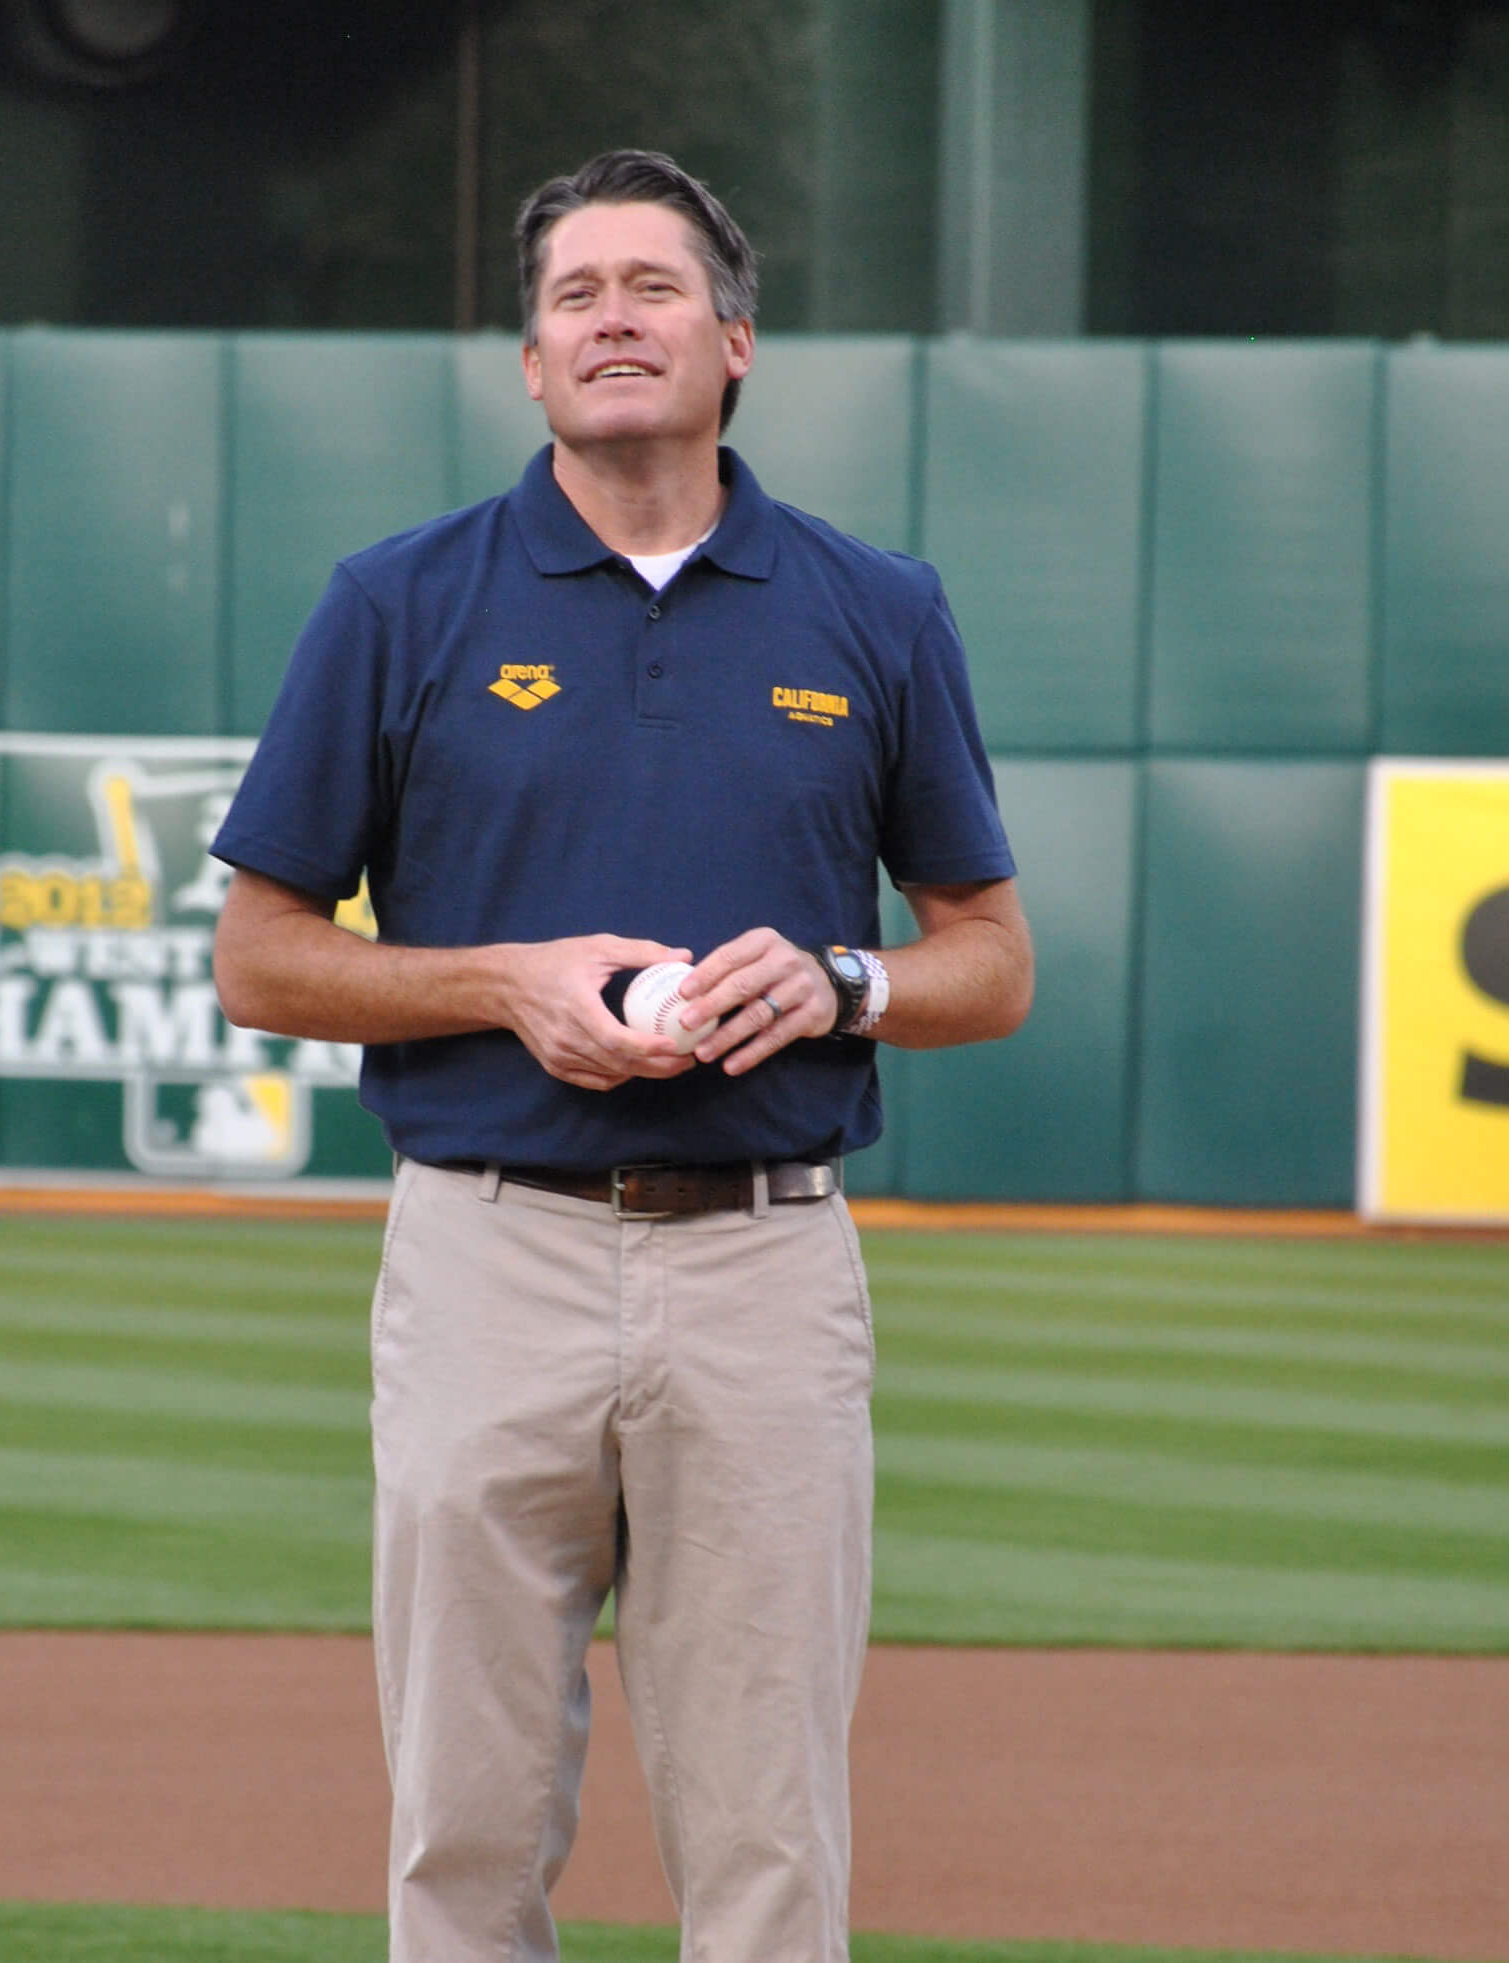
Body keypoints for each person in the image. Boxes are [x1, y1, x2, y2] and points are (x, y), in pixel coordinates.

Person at [210, 148, 1032, 1963]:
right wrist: (499, 984)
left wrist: (841, 985)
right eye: (571, 295)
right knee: (464, 1822)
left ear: (735, 340)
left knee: (767, 1830)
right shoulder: (402, 603)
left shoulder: (873, 609)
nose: (609, 320)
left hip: (764, 1255)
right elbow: (260, 957)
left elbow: (990, 958)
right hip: (489, 1245)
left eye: (650, 287)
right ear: (529, 364)